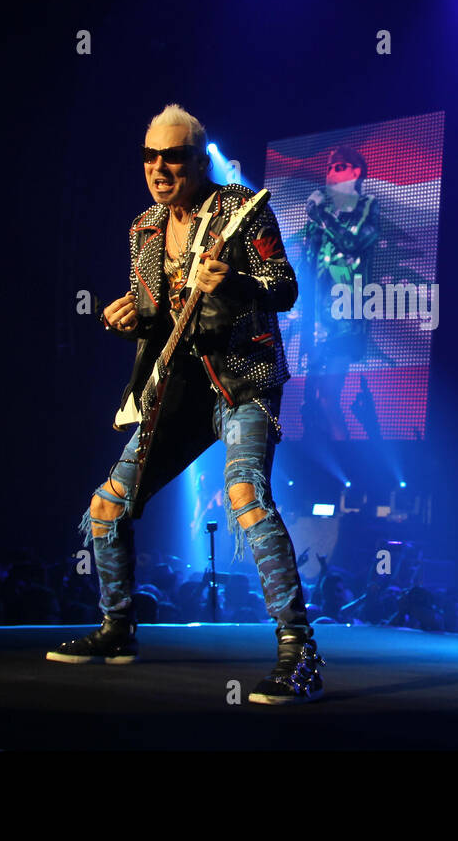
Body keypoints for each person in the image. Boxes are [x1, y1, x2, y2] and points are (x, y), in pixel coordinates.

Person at [44, 103, 324, 705]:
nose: (158, 167)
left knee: (245, 493)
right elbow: (158, 314)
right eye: (149, 156)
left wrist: (236, 282)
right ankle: (117, 630)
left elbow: (285, 289)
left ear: (200, 160)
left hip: (244, 383)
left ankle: (299, 652)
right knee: (105, 508)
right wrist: (130, 316)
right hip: (178, 391)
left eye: (172, 156)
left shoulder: (242, 210)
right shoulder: (143, 228)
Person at [298, 145, 381, 439]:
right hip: (318, 318)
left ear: (356, 172)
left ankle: (356, 475)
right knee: (313, 405)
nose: (330, 173)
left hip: (346, 315)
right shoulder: (322, 214)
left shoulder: (367, 205)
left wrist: (322, 216)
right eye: (329, 167)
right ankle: (325, 474)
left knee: (328, 398)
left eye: (339, 167)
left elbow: (353, 242)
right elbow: (308, 264)